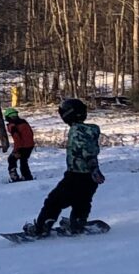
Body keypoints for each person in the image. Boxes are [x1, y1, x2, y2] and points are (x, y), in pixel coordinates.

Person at [26, 98, 105, 236]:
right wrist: (94, 169)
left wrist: (93, 167)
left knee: (54, 201)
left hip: (76, 175)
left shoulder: (77, 131)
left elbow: (86, 150)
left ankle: (41, 228)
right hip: (89, 178)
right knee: (82, 201)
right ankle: (78, 222)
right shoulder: (90, 130)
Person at [3, 106, 36, 181]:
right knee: (23, 161)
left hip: (22, 146)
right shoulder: (24, 122)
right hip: (30, 145)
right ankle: (27, 176)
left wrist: (16, 150)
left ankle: (14, 177)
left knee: (11, 159)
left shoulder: (12, 126)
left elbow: (17, 139)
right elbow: (30, 133)